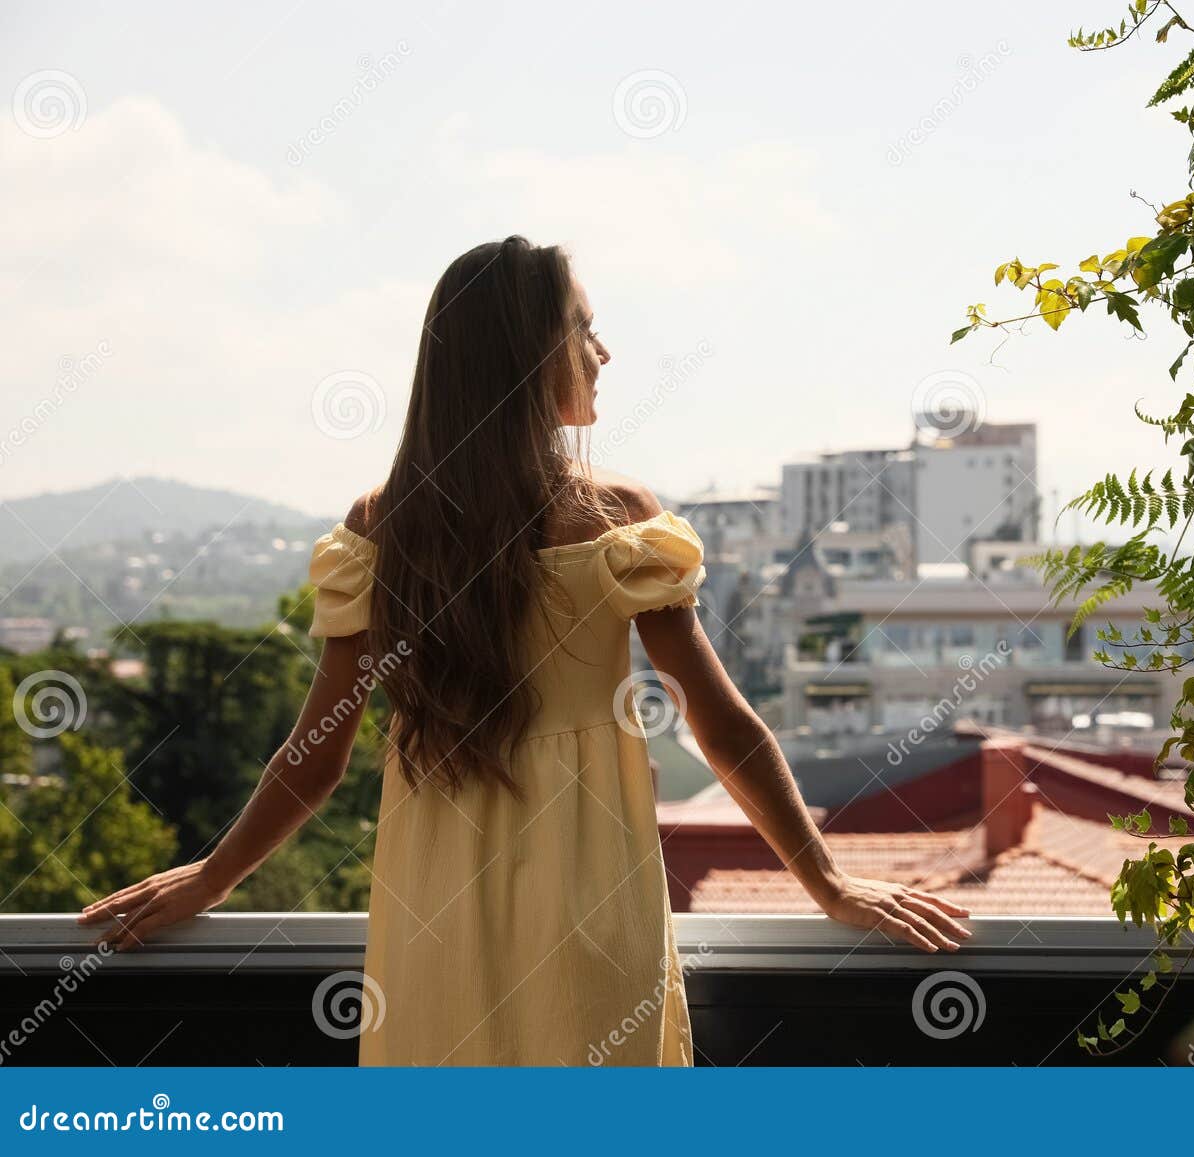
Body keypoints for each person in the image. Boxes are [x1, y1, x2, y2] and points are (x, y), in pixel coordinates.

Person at [79, 236, 971, 1065]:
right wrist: (826, 880)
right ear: (531, 353)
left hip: (431, 911)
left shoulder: (379, 526)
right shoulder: (614, 519)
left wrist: (215, 875)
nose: (603, 353)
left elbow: (316, 756)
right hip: (592, 889)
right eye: (585, 328)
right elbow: (720, 719)